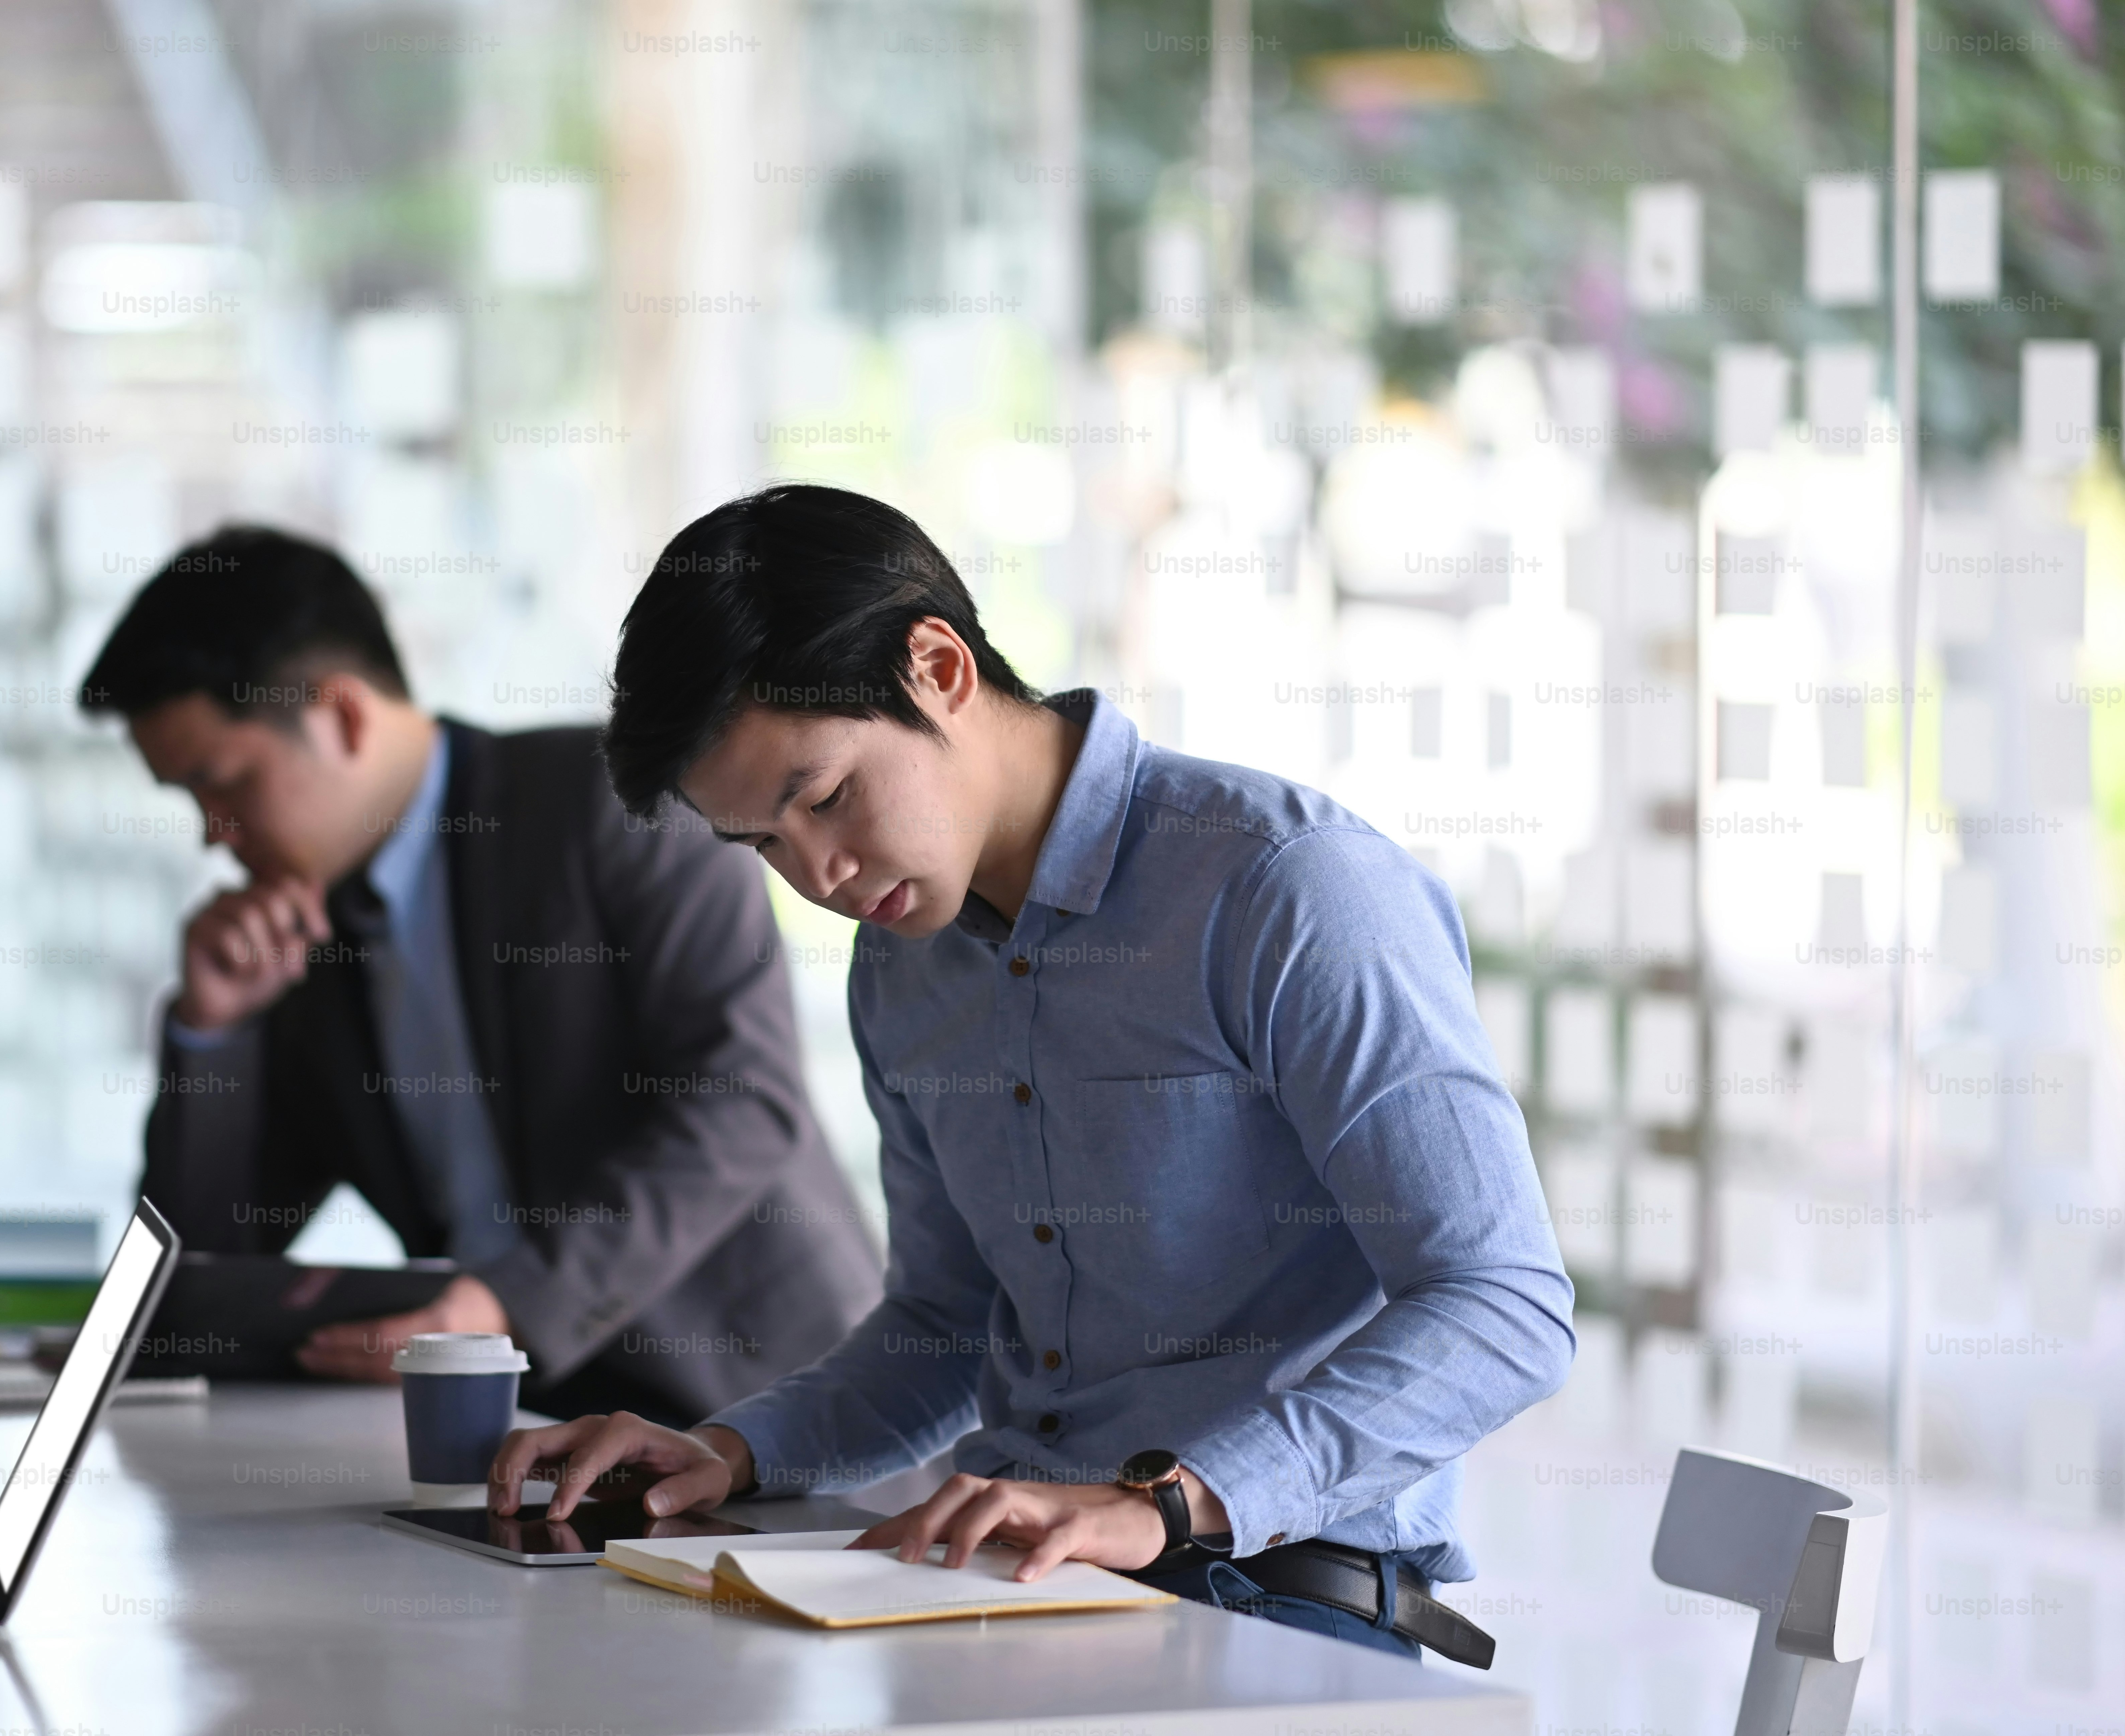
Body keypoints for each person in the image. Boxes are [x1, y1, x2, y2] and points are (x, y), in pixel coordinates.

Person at [489, 485, 1573, 1664]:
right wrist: (733, 1451)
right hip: (992, 1596)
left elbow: (1504, 1304)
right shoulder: (901, 971)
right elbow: (945, 1326)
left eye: (827, 797)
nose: (822, 876)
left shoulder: (1289, 888)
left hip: (1272, 1611)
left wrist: (1162, 1504)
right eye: (764, 847)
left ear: (938, 668)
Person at [77, 525, 881, 1425]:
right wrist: (214, 1030)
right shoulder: (302, 940)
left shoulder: (610, 804)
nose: (212, 835)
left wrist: (510, 1304)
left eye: (222, 786)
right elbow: (205, 1274)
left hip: (773, 1420)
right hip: (519, 1446)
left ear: (341, 716)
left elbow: (742, 1102)